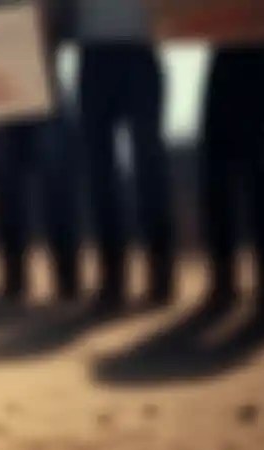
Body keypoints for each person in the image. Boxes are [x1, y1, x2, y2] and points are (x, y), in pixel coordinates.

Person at [75, 0, 175, 310]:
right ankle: (111, 278)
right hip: (93, 53)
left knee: (149, 166)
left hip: (140, 49)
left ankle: (161, 275)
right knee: (99, 172)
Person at [0, 0, 81, 304]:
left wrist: (49, 17)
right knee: (7, 191)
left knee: (56, 188)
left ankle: (67, 279)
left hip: (45, 91)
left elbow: (67, 22)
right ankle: (14, 279)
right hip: (0, 94)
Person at [199, 46, 264, 311]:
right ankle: (226, 281)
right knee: (223, 176)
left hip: (258, 52)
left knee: (253, 174)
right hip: (232, 49)